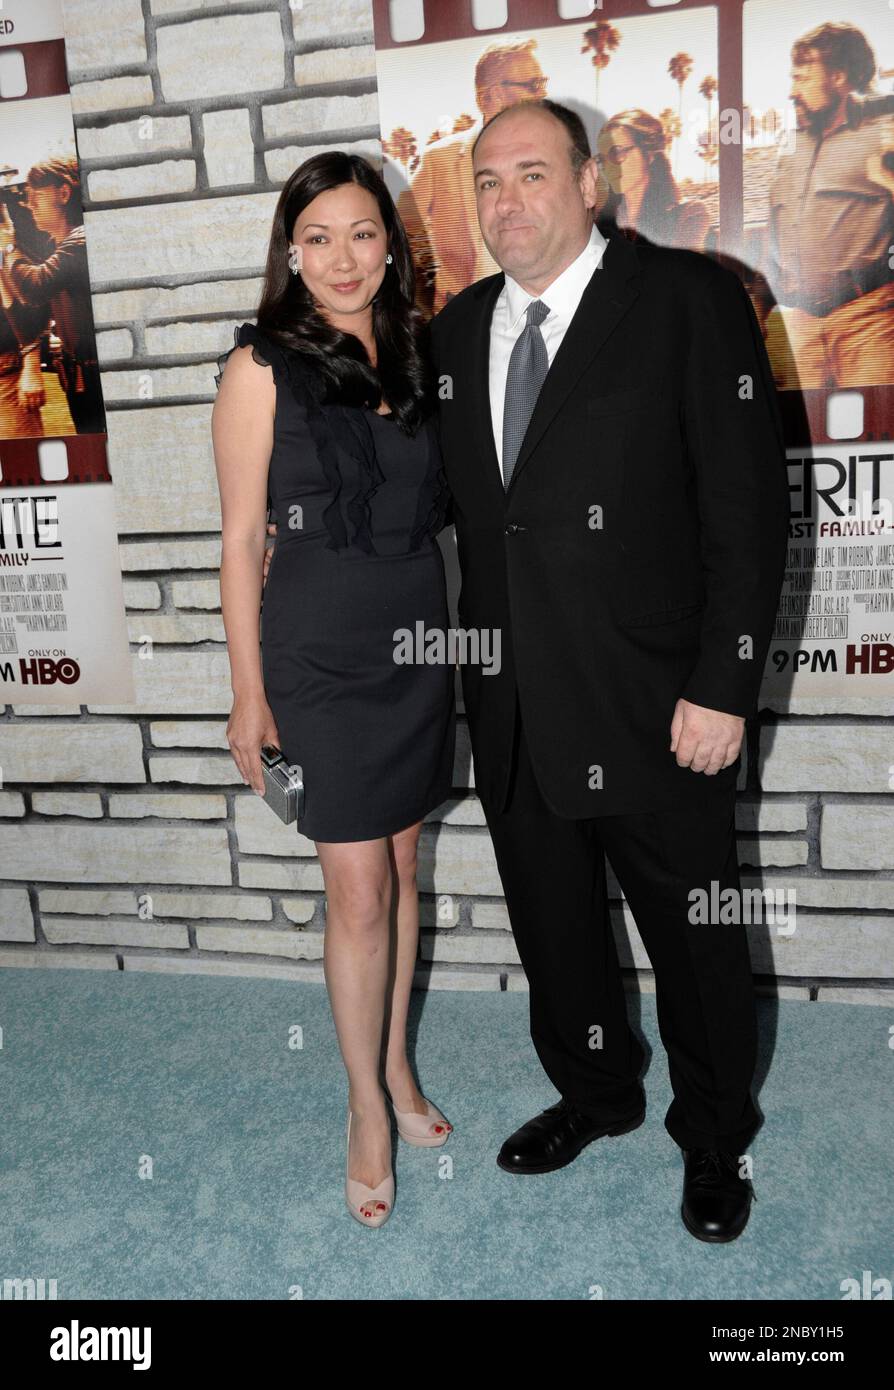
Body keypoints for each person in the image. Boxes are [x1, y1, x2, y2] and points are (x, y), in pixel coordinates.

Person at [429, 98, 789, 1242]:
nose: (507, 201)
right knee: (557, 934)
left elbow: (748, 514)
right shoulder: (457, 329)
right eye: (487, 180)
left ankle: (715, 1132)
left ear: (590, 184)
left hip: (660, 704)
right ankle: (597, 1093)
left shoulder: (688, 303)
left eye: (532, 174)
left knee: (694, 940)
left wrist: (725, 684)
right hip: (518, 706)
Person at [211, 152, 456, 1228]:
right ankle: (364, 1104)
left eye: (363, 233)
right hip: (314, 649)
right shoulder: (259, 364)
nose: (343, 258)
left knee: (401, 866)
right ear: (290, 251)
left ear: (389, 244)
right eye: (318, 238)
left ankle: (397, 1067)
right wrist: (246, 693)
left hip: (414, 636)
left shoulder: (418, 352)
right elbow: (236, 538)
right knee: (355, 889)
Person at [761, 21, 894, 388]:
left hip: (868, 323)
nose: (792, 91)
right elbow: (772, 235)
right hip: (796, 326)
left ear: (839, 78)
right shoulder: (787, 147)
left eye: (803, 78)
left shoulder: (884, 133)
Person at [396, 38, 548, 311]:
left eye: (542, 83)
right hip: (461, 310)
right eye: (531, 85)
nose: (542, 93)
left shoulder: (551, 157)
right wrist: (421, 305)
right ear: (490, 96)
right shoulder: (438, 160)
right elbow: (399, 233)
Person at [0, 157, 104, 434]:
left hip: (95, 373)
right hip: (76, 373)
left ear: (64, 193)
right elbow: (26, 306)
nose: (29, 205)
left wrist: (8, 248)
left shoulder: (82, 239)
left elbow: (34, 287)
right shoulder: (54, 246)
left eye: (35, 196)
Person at [594, 108, 710, 251]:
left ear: (649, 154)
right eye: (602, 160)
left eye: (617, 152)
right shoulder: (602, 226)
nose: (608, 167)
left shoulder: (688, 215)